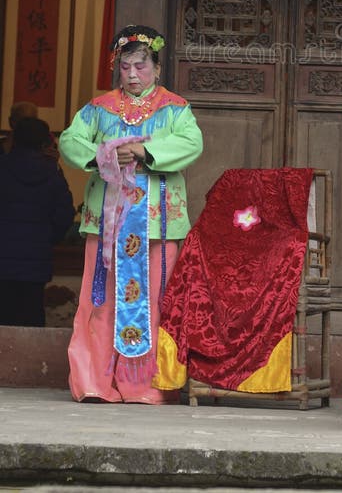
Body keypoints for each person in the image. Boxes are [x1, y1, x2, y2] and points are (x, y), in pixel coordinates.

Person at [59, 24, 203, 404]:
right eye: (125, 67)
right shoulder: (99, 108)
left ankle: (147, 386)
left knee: (155, 302)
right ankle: (95, 381)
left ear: (157, 67)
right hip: (108, 222)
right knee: (99, 301)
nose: (133, 75)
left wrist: (143, 151)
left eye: (141, 66)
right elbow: (70, 140)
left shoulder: (175, 108)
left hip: (157, 222)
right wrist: (102, 154)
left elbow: (192, 143)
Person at [0, 117, 75, 327]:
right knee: (31, 319)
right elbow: (65, 213)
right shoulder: (52, 173)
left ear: (14, 139)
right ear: (44, 143)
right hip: (36, 260)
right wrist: (47, 238)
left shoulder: (2, 168)